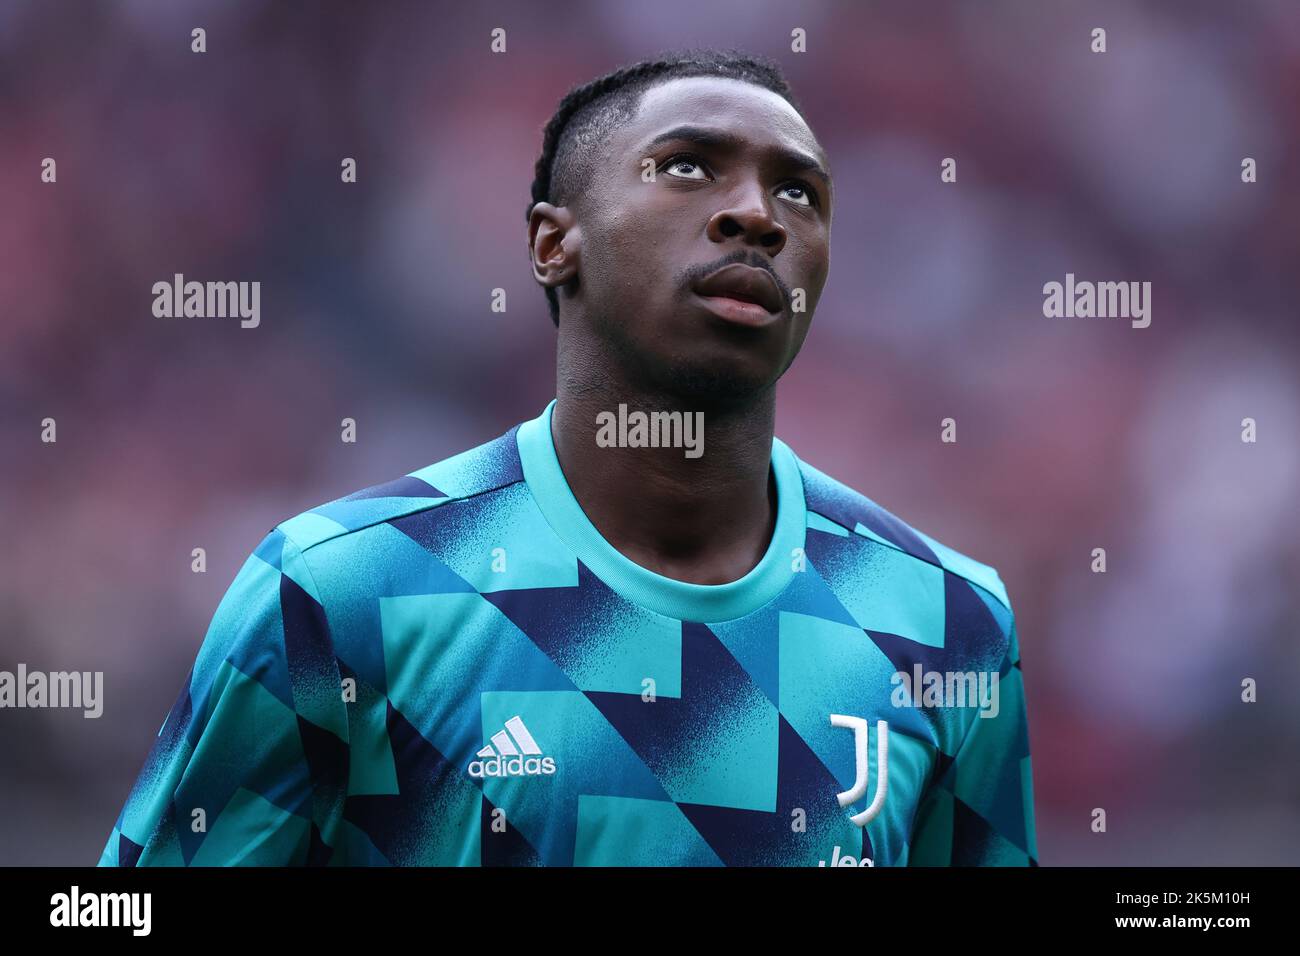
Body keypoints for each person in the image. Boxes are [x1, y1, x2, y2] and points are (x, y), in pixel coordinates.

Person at [99, 49, 1037, 867]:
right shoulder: (344, 594)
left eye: (799, 191)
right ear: (555, 244)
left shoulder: (947, 625)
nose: (757, 214)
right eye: (687, 167)